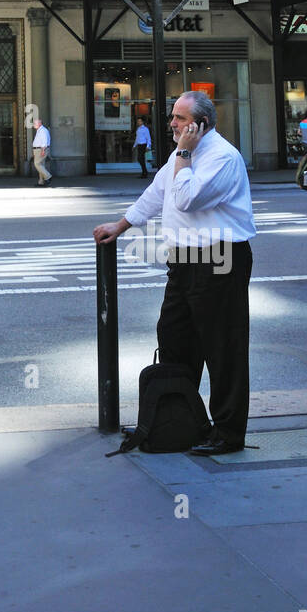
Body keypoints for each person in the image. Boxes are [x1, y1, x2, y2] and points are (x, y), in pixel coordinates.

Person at [93, 91, 256, 456]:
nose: (172, 124)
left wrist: (183, 153)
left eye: (180, 119)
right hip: (183, 261)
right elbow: (157, 193)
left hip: (220, 259)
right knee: (174, 338)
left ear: (201, 125)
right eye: (174, 118)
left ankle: (228, 433)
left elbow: (185, 198)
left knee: (222, 347)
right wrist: (120, 226)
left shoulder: (222, 158)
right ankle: (177, 419)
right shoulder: (182, 156)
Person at [31, 116, 52, 185]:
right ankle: (41, 182)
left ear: (39, 123)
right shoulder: (40, 130)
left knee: (37, 164)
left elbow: (44, 141)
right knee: (41, 165)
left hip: (41, 149)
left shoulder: (43, 131)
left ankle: (48, 176)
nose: (33, 125)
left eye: (34, 123)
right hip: (38, 149)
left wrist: (43, 150)